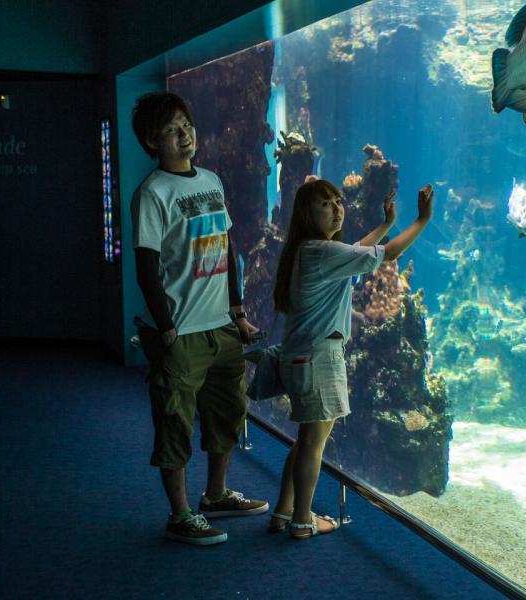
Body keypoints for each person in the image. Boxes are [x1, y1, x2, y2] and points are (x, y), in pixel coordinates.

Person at [130, 92, 268, 546]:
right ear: (153, 141)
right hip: (181, 331)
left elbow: (227, 248)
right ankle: (180, 515)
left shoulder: (211, 180)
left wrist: (238, 313)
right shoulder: (152, 193)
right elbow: (146, 266)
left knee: (227, 412)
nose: (184, 134)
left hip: (222, 326)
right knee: (174, 421)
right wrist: (166, 326)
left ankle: (216, 495)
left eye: (186, 124)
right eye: (171, 129)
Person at [269, 178, 433, 539]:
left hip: (303, 356)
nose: (337, 209)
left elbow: (358, 250)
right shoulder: (321, 251)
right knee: (314, 443)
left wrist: (386, 224)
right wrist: (422, 220)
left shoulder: (309, 250)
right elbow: (388, 254)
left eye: (338, 201)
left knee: (306, 439)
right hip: (319, 359)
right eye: (325, 204)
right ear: (306, 214)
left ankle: (284, 510)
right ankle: (302, 520)